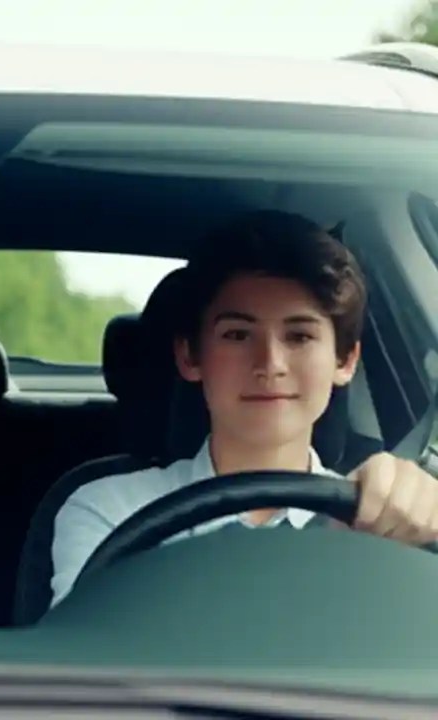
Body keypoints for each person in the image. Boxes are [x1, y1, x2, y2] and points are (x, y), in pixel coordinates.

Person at [50, 210, 438, 606]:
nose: (270, 364)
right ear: (190, 356)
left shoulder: (387, 517)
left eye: (299, 336)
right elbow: (84, 661)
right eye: (237, 335)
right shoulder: (112, 511)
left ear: (345, 362)